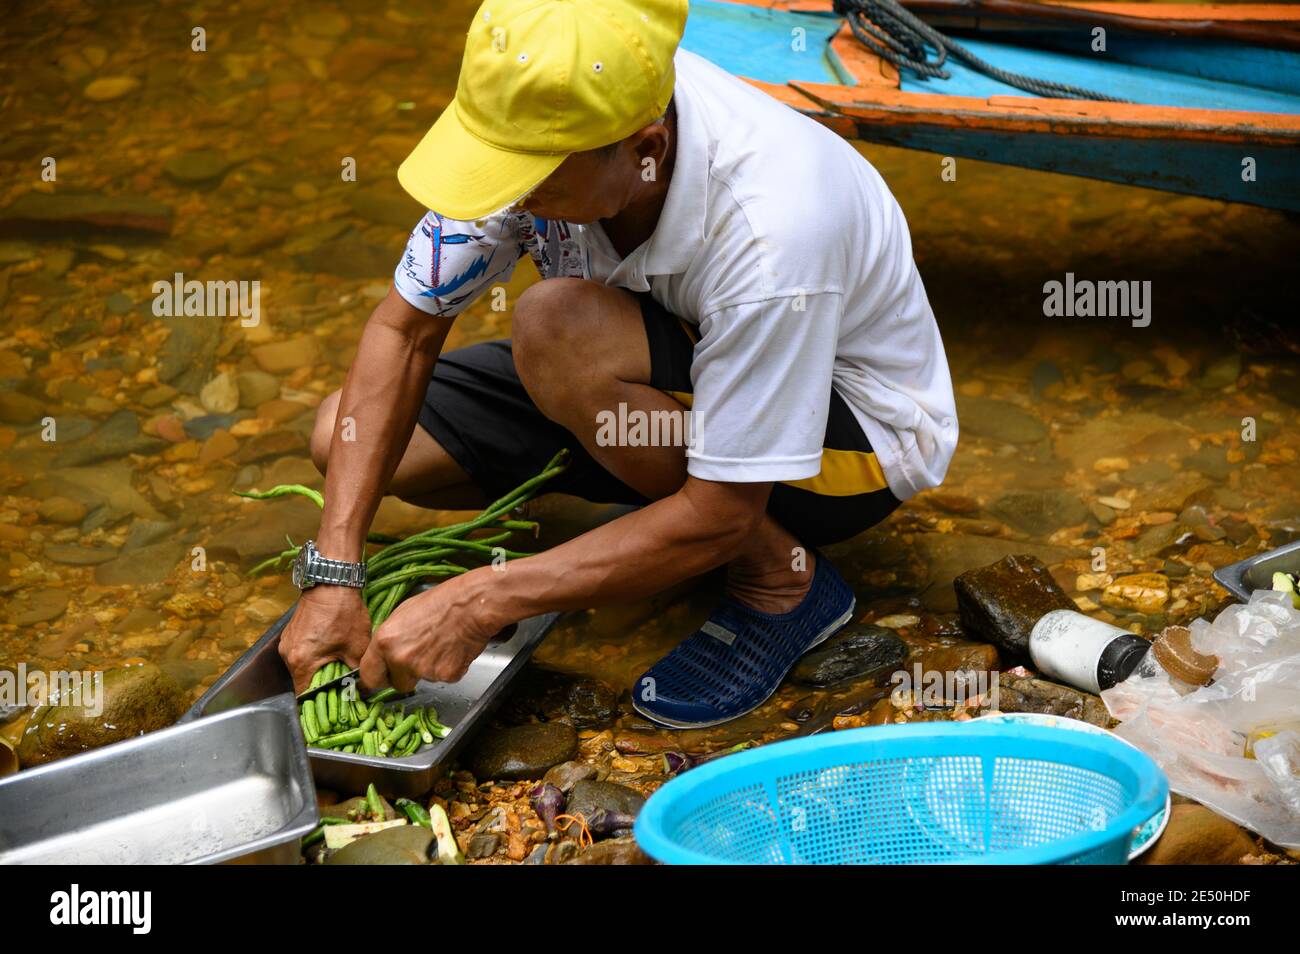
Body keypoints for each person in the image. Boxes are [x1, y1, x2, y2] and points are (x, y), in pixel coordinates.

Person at [279, 0, 957, 729]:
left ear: (647, 150)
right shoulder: (538, 123)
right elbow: (403, 334)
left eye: (531, 177)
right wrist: (334, 571)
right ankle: (636, 502)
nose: (504, 194)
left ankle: (782, 584)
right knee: (345, 439)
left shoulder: (773, 231)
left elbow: (723, 513)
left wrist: (481, 599)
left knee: (553, 325)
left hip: (849, 438)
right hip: (640, 373)